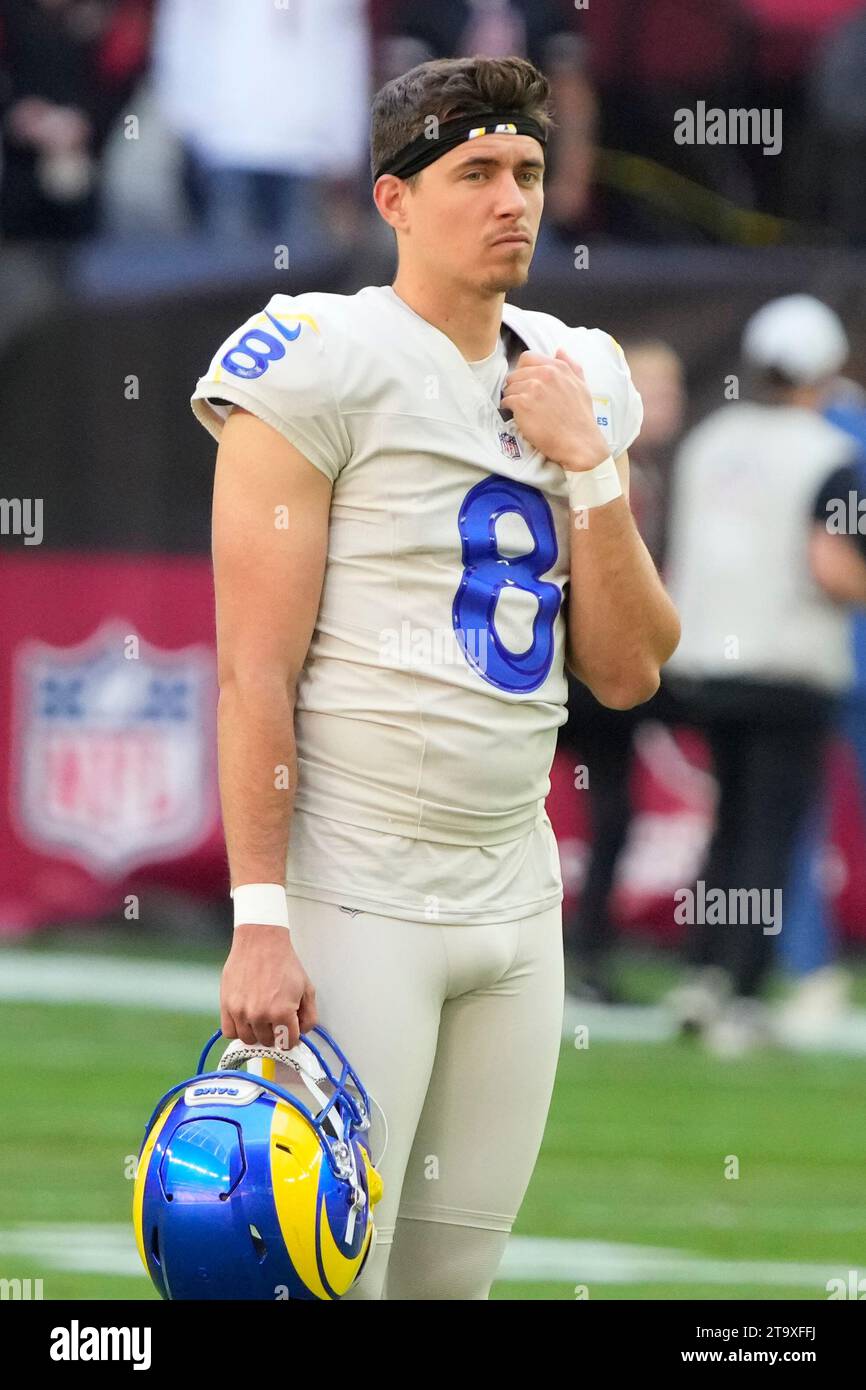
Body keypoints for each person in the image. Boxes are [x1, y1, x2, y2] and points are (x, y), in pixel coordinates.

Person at [190, 55, 680, 1300]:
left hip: (514, 899)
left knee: (446, 1290)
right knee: (310, 1286)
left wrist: (591, 469)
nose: (512, 198)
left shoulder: (577, 371)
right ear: (396, 199)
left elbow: (627, 668)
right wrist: (259, 921)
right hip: (357, 888)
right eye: (474, 172)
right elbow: (254, 670)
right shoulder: (319, 353)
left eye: (524, 170)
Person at [663, 294, 866, 1057]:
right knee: (770, 834)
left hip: (710, 661)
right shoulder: (825, 453)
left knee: (727, 825)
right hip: (789, 664)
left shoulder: (712, 439)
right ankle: (742, 993)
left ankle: (702, 974)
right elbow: (832, 564)